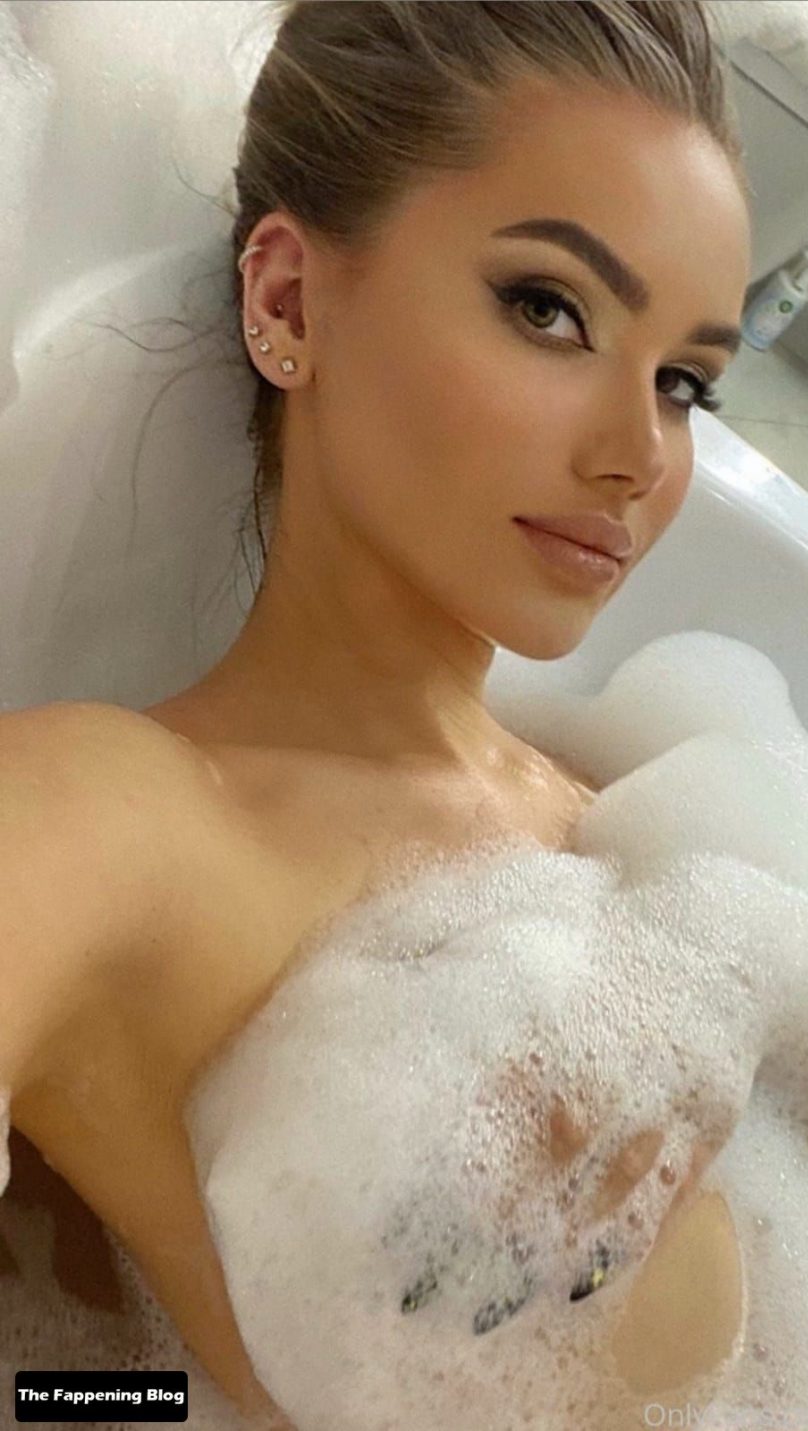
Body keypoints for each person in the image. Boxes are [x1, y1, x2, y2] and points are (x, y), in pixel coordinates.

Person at [2, 2, 754, 1425]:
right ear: (289, 304)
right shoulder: (103, 822)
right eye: (549, 309)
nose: (637, 455)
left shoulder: (634, 820)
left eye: (684, 383)